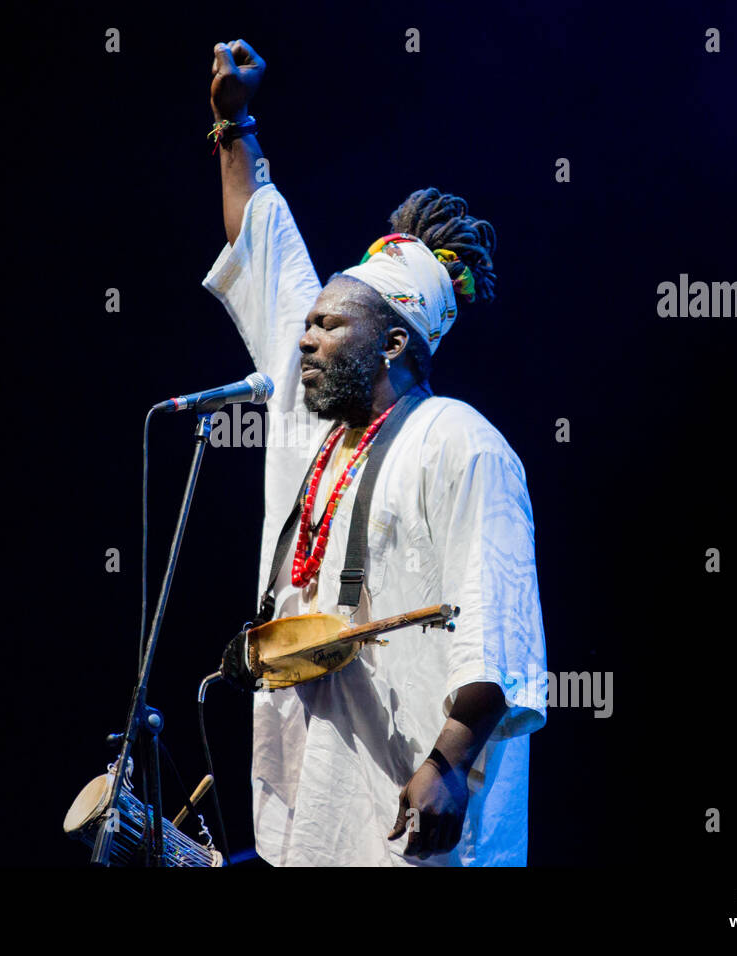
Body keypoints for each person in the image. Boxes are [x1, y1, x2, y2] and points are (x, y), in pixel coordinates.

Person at [203, 39, 548, 866]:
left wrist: (450, 760)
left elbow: (495, 615)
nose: (307, 339)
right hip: (309, 809)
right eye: (309, 323)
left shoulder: (461, 440)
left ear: (394, 341)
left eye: (328, 326)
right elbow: (264, 239)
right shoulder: (309, 420)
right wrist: (233, 122)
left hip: (420, 809)